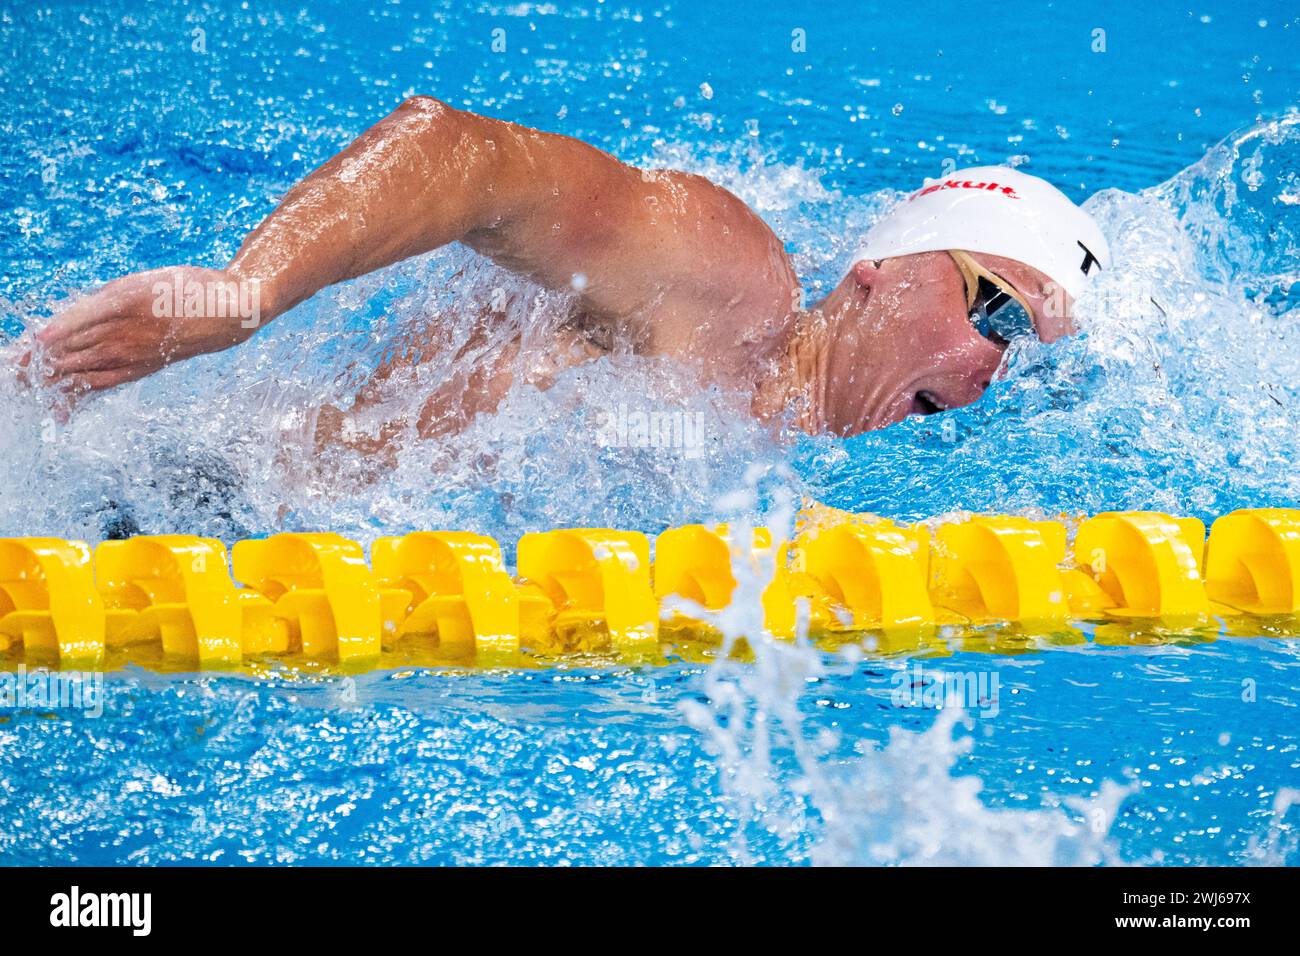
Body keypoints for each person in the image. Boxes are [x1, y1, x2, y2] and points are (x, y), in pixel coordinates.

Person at [15, 96, 1110, 440]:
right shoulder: (733, 285)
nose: (992, 370)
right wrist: (243, 292)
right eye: (1000, 316)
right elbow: (462, 154)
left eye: (1024, 351)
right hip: (197, 522)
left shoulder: (773, 437)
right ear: (882, 268)